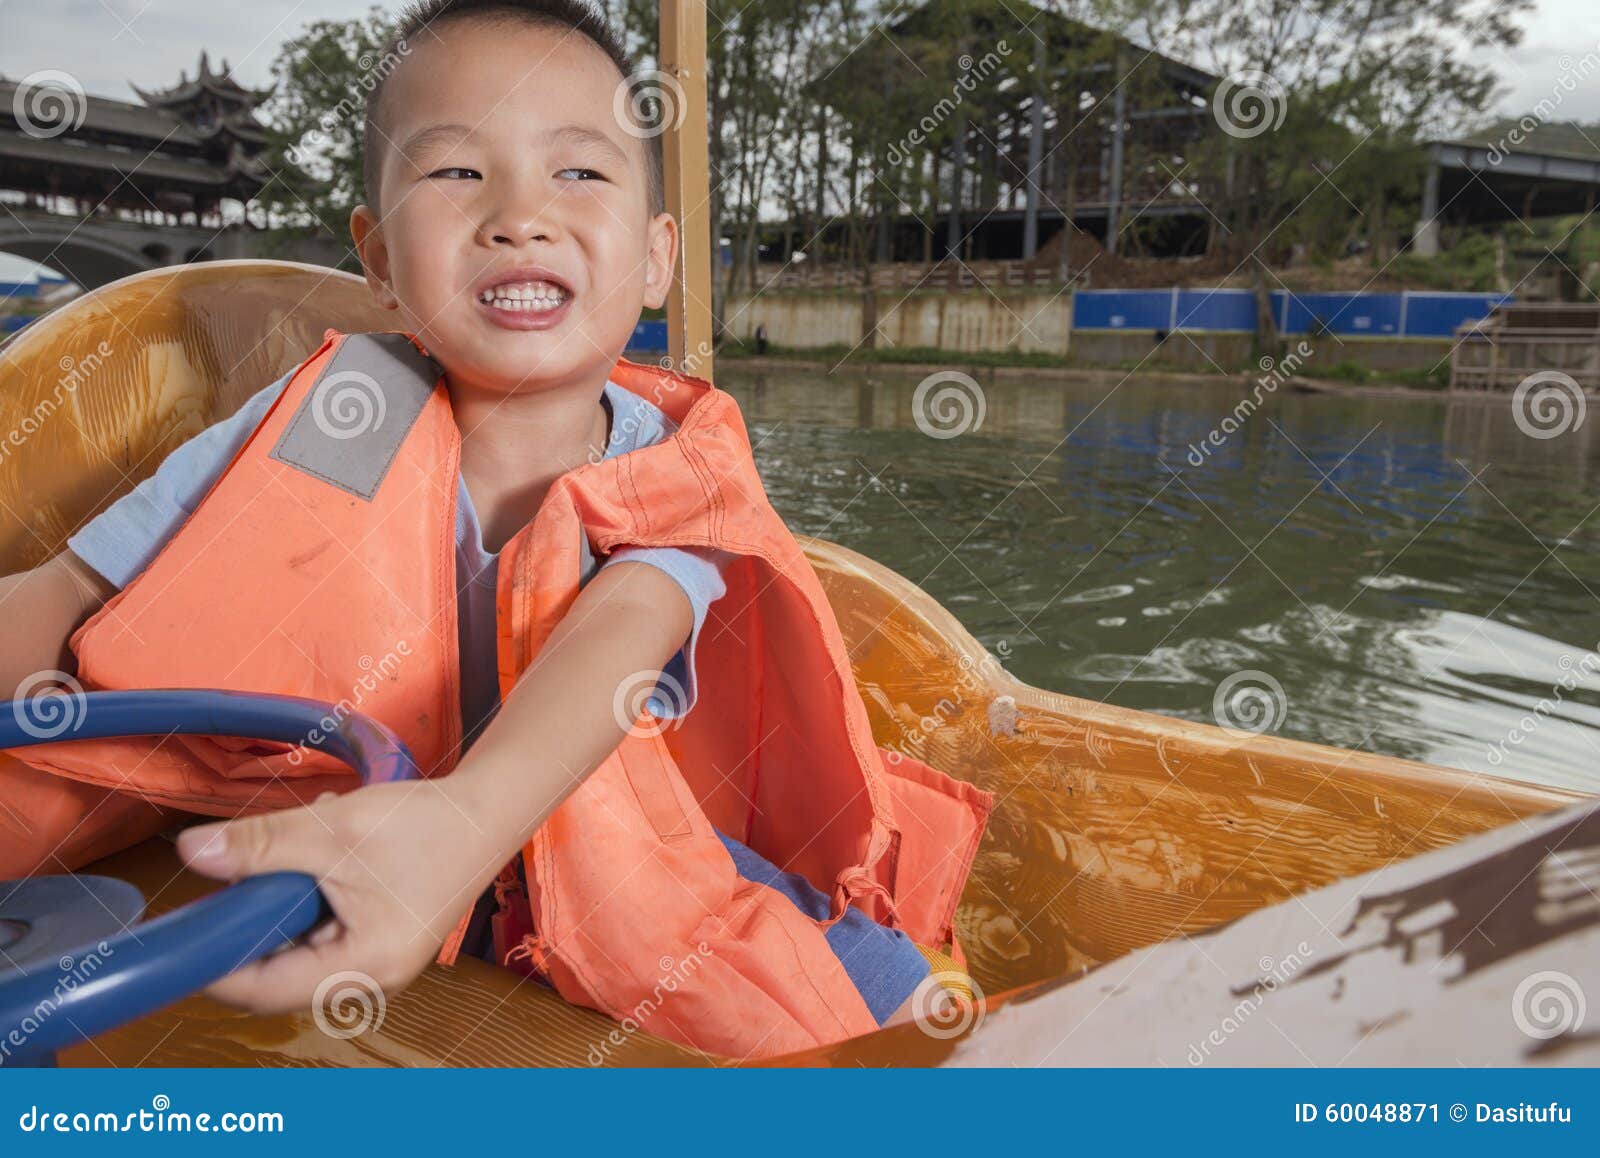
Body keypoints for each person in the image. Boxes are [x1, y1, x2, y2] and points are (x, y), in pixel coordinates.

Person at [0, 0, 987, 1058]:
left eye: (580, 171)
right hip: (337, 828)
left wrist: (465, 824)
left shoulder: (668, 467)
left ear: (656, 257)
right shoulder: (339, 416)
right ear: (379, 259)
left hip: (603, 855)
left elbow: (629, 625)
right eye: (457, 172)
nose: (520, 215)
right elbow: (67, 593)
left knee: (895, 997)